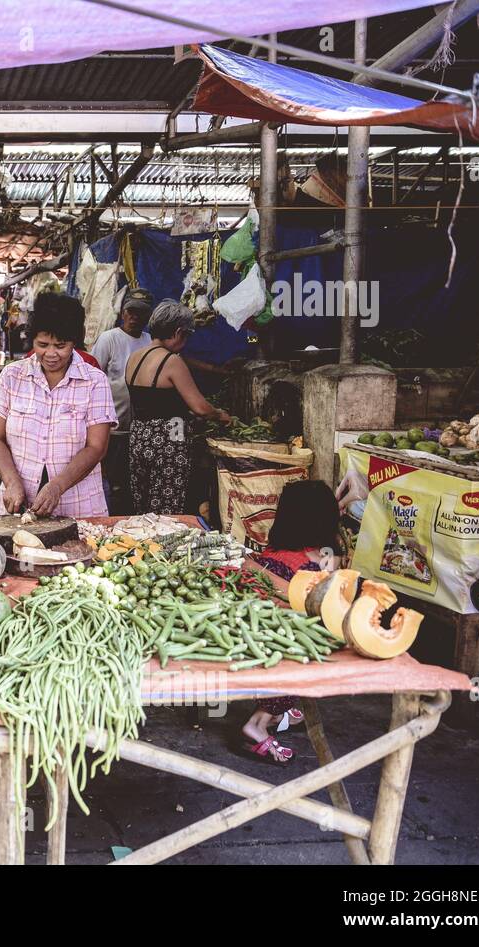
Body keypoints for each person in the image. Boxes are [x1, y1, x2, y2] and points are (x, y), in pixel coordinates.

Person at [0, 292, 117, 518]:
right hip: (18, 508)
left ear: (74, 342)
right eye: (42, 344)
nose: (51, 354)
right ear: (32, 340)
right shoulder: (12, 376)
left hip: (79, 506)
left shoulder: (95, 381)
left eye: (60, 345)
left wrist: (57, 486)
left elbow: (97, 447)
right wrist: (11, 481)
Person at [239, 480, 343, 764]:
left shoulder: (274, 558)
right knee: (298, 650)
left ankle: (270, 715)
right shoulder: (326, 559)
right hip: (289, 647)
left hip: (260, 641)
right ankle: (256, 725)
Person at [125, 300, 230, 514]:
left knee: (143, 503)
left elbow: (154, 401)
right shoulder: (171, 361)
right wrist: (220, 415)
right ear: (179, 332)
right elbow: (200, 407)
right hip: (168, 441)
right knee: (167, 507)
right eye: (187, 336)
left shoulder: (134, 357)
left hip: (138, 436)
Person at [91, 287, 154, 511]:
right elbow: (93, 376)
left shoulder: (149, 340)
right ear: (123, 312)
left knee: (133, 481)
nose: (135, 317)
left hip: (138, 427)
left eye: (141, 313)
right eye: (131, 311)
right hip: (112, 427)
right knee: (112, 481)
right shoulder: (109, 339)